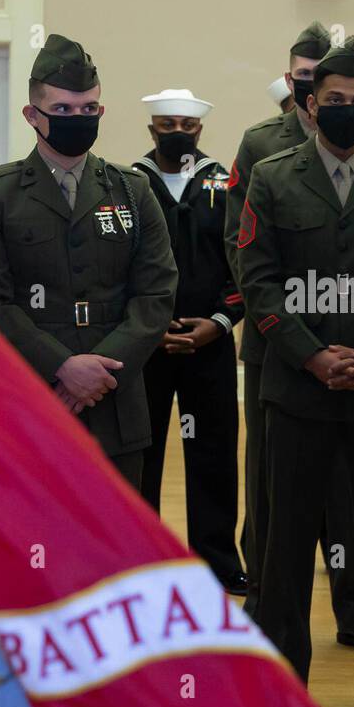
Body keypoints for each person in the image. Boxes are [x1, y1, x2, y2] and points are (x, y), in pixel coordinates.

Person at [237, 36, 354, 707]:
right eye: (335, 100)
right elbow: (257, 281)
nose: (348, 110)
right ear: (310, 103)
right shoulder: (273, 175)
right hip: (295, 386)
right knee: (283, 543)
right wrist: (312, 355)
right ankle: (286, 679)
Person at [224, 21, 354, 635]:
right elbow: (238, 243)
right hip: (278, 347)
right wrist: (281, 331)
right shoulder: (262, 145)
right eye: (303, 77)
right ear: (301, 86)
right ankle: (266, 600)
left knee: (346, 490)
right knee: (270, 489)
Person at [0, 34, 178, 485]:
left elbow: (155, 295)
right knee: (30, 542)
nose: (77, 119)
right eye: (62, 111)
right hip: (29, 403)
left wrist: (99, 371)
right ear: (31, 115)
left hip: (116, 407)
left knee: (119, 549)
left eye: (88, 109)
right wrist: (61, 367)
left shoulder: (132, 191)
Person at [132, 88, 247, 594]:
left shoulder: (228, 185)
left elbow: (246, 263)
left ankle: (217, 562)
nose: (178, 131)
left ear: (200, 130)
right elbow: (118, 269)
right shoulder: (128, 183)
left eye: (187, 124)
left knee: (214, 454)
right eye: (167, 123)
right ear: (151, 128)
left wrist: (221, 321)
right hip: (144, 347)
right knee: (143, 452)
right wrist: (144, 326)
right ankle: (144, 560)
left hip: (211, 342)